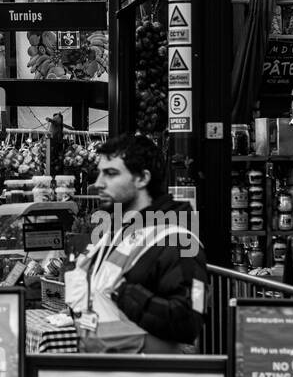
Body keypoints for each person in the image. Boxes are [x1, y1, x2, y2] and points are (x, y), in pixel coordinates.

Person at [87, 133, 208, 352]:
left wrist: (122, 292)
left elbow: (188, 321)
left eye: (111, 173)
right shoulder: (118, 231)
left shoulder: (179, 240)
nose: (98, 183)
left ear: (142, 178)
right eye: (99, 173)